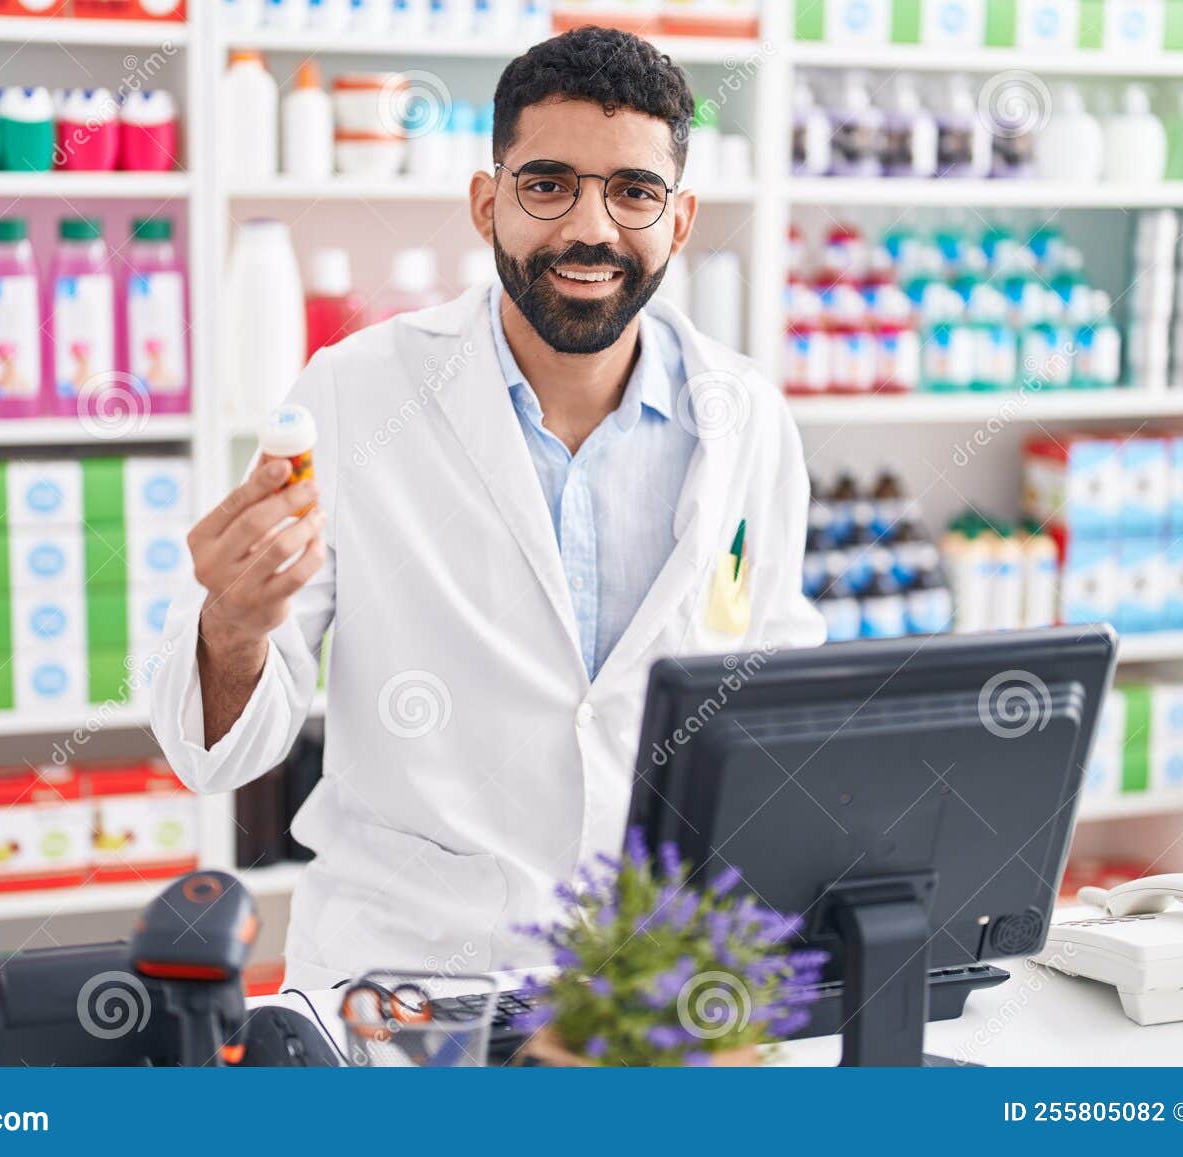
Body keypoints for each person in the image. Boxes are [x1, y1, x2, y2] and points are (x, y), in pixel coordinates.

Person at [152, 26, 825, 989]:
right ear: (486, 202)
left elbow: (779, 703)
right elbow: (215, 756)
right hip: (411, 974)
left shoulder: (747, 416)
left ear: (678, 222)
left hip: (660, 979)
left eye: (633, 191)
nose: (590, 227)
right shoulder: (356, 391)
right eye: (548, 184)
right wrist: (235, 625)